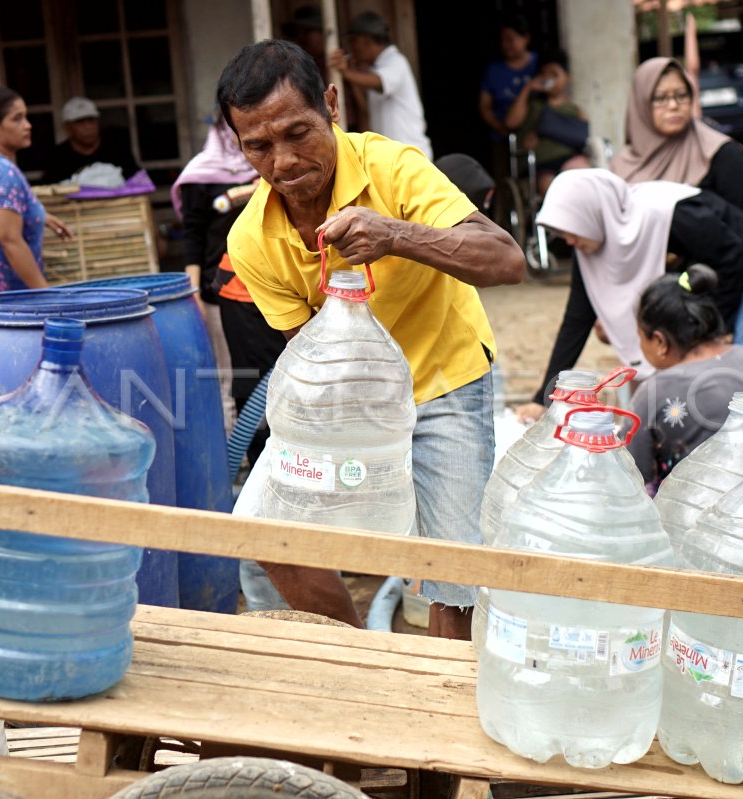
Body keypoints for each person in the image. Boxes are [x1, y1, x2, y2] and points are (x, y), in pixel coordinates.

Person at [217, 40, 525, 639]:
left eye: (298, 133)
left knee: (453, 575)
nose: (283, 162)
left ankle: (443, 684)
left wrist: (397, 235)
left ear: (331, 105)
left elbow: (506, 260)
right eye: (258, 146)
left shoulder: (394, 167)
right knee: (266, 533)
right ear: (239, 144)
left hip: (443, 378)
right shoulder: (251, 239)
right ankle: (365, 659)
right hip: (352, 397)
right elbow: (311, 356)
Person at [516, 168, 743, 420]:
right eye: (562, 234)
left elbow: (730, 255)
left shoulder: (665, 214)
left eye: (572, 231)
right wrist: (545, 397)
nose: (569, 242)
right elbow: (577, 319)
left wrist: (717, 329)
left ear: (591, 214)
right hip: (699, 279)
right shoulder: (589, 242)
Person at [610, 57, 743, 352]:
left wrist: (718, 326)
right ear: (640, 104)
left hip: (736, 292)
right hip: (667, 307)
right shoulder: (623, 170)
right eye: (661, 98)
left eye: (681, 95)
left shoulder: (720, 155)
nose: (673, 105)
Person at [628, 264, 743, 491]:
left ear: (660, 341)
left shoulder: (655, 391)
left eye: (640, 337)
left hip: (706, 511)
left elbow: (631, 480)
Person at [172, 115, 284, 447]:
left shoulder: (272, 164)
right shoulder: (200, 176)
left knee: (275, 371)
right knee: (232, 373)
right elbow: (193, 237)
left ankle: (274, 445)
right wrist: (192, 292)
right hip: (222, 288)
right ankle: (233, 449)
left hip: (277, 282)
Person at [0, 86, 73, 292]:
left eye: (26, 117)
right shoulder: (3, 172)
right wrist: (46, 295)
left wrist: (37, 214)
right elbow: (9, 239)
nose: (28, 125)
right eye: (17, 119)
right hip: (13, 299)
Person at [328, 12, 432, 157]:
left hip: (411, 154)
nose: (352, 47)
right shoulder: (377, 68)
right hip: (394, 155)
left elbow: (379, 81)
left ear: (366, 40)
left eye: (353, 40)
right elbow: (365, 108)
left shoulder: (395, 61)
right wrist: (351, 73)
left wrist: (346, 72)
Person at [503, 50, 590, 196]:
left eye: (554, 74)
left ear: (567, 78)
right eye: (544, 74)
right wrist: (528, 88)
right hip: (541, 165)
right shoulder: (533, 105)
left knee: (582, 175)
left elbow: (582, 136)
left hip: (569, 159)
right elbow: (510, 123)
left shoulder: (575, 110)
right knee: (549, 186)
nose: (549, 79)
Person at [479, 14, 537, 167]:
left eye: (511, 39)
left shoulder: (539, 65)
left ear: (526, 38)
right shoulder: (493, 71)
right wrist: (500, 127)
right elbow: (485, 106)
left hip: (535, 136)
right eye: (503, 40)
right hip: (503, 137)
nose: (506, 45)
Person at [41, 96, 142, 185]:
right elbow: (48, 191)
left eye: (91, 120)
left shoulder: (117, 149)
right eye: (80, 122)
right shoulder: (58, 157)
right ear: (68, 127)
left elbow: (138, 183)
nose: (88, 127)